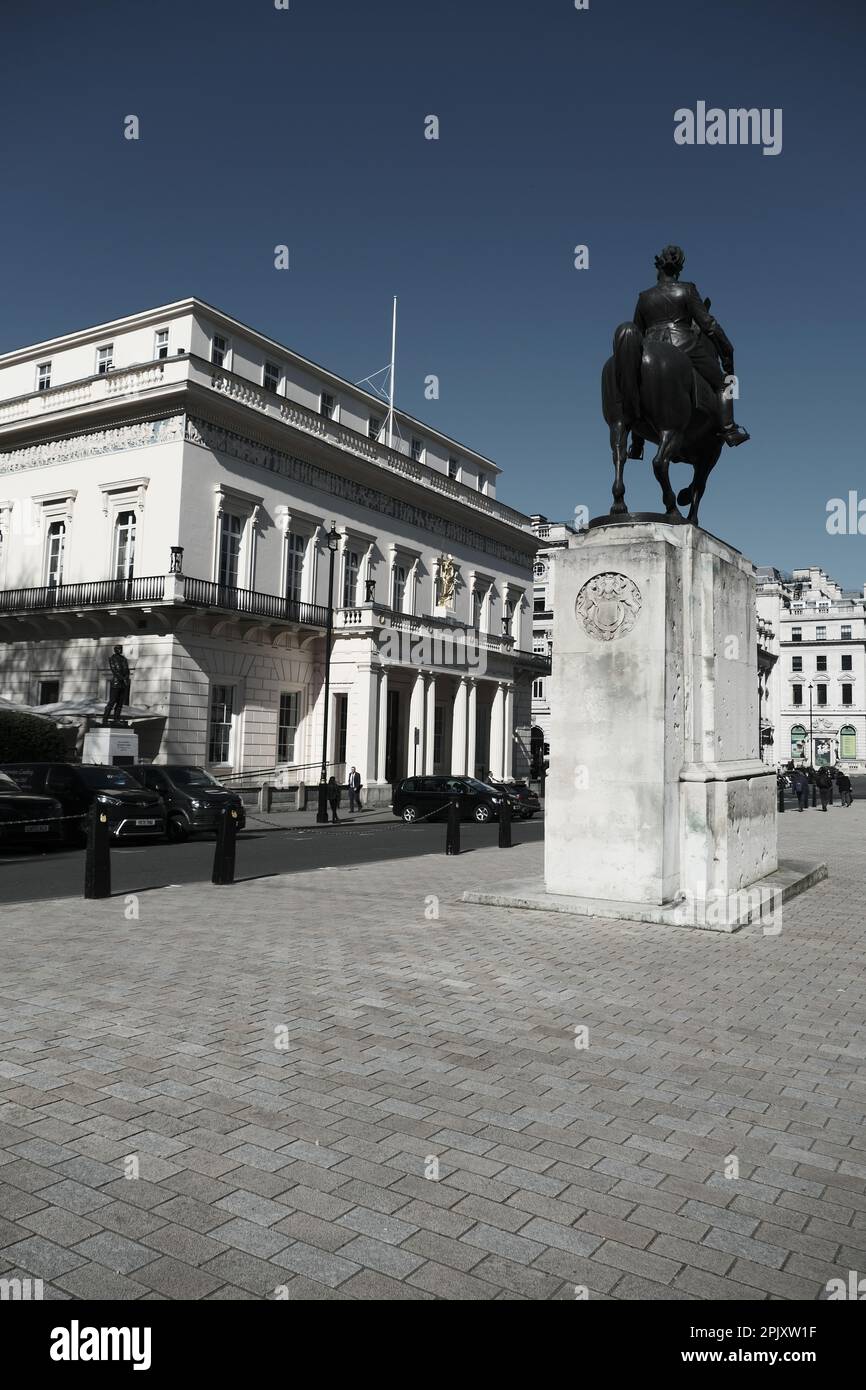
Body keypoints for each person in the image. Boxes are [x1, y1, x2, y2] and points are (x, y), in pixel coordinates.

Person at [628, 244, 749, 457]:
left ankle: (637, 444)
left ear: (658, 267)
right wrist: (726, 348)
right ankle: (729, 429)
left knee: (634, 383)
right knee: (724, 382)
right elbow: (707, 324)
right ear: (679, 269)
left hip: (649, 345)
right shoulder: (687, 289)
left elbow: (636, 331)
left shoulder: (644, 297)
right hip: (683, 344)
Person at [102, 644, 131, 724]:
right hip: (116, 682)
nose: (121, 650)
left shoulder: (124, 659)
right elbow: (114, 670)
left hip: (123, 684)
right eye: (119, 649)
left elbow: (127, 670)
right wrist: (122, 678)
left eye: (121, 648)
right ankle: (105, 719)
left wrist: (126, 678)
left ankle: (116, 719)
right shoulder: (112, 658)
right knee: (112, 702)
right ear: (115, 650)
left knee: (120, 703)